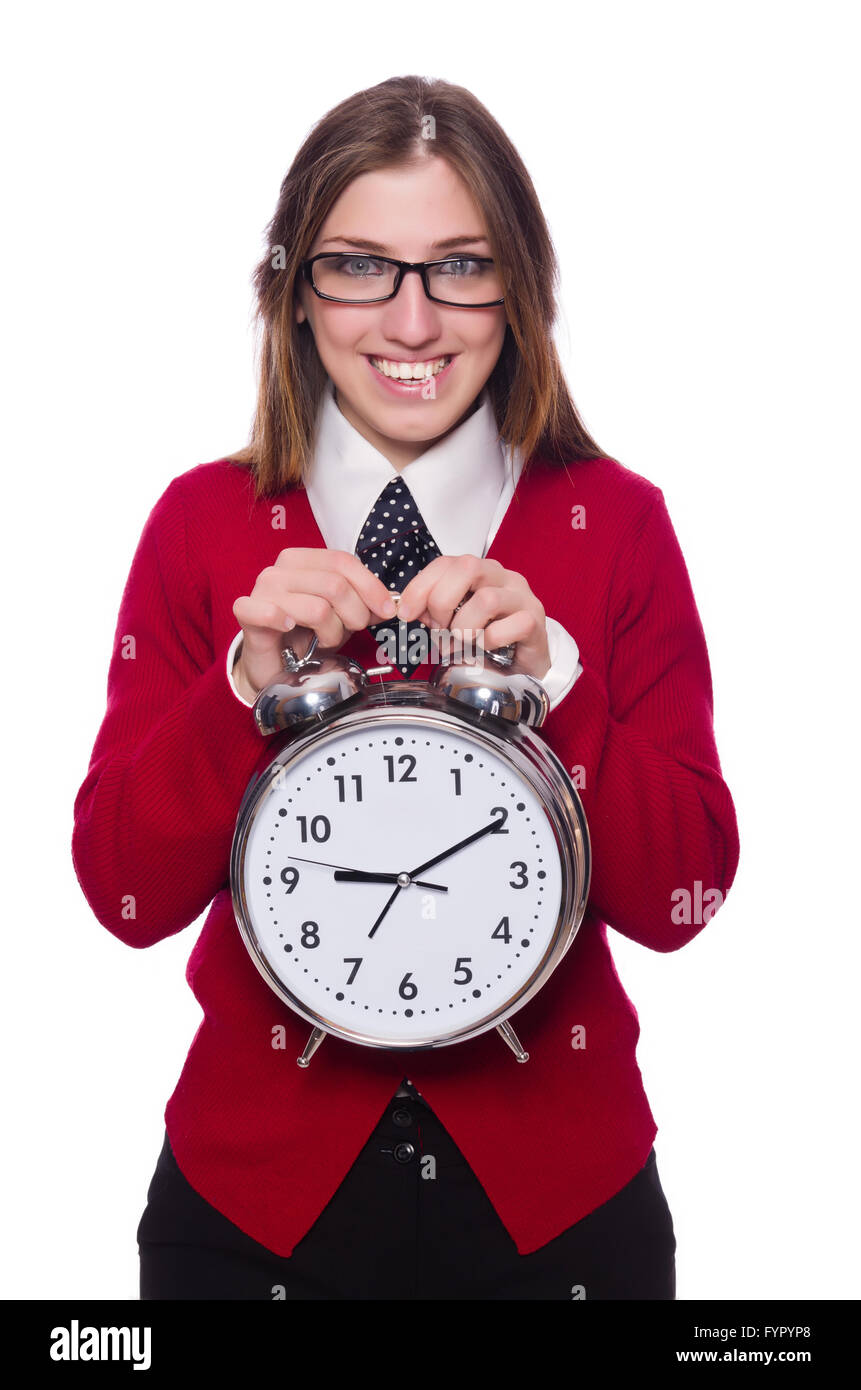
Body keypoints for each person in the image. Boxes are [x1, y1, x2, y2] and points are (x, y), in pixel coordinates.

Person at [71, 75, 739, 1301]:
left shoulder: (616, 525)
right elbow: (121, 892)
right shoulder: (203, 525)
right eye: (361, 266)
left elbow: (684, 896)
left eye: (462, 267)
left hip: (561, 1207)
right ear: (292, 290)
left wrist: (560, 687)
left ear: (521, 290)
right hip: (252, 1207)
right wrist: (241, 694)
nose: (415, 321)